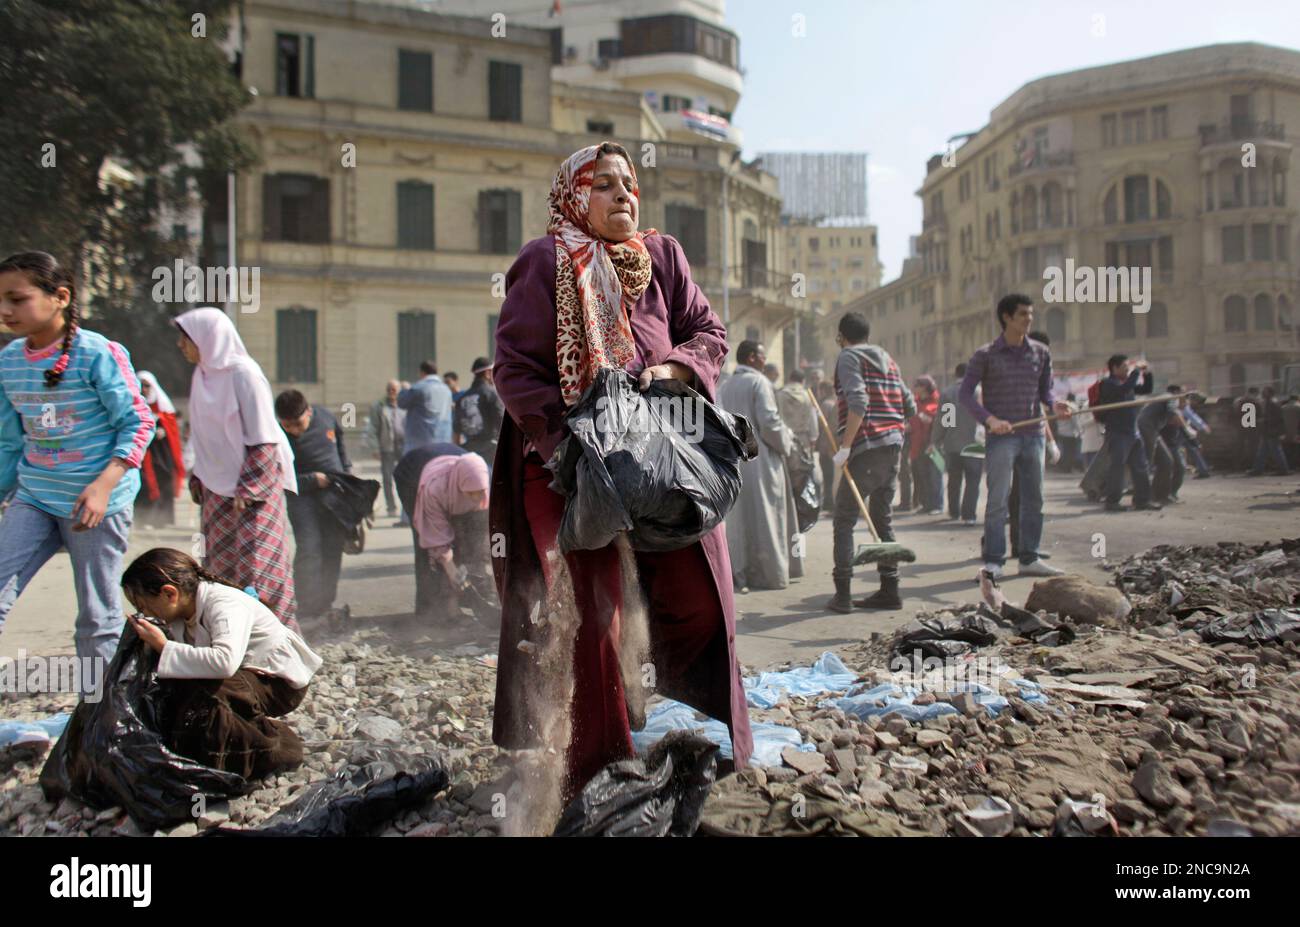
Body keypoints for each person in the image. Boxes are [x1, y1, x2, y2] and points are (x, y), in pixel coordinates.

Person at [489, 141, 753, 801]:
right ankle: (600, 763)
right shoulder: (544, 261)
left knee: (695, 597)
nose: (623, 195)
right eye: (604, 185)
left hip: (660, 455)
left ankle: (692, 718)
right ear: (576, 198)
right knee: (596, 611)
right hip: (571, 462)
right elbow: (516, 371)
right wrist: (568, 448)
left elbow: (707, 331)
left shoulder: (660, 257)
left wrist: (675, 368)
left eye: (629, 184)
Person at [0, 251, 154, 691]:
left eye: (17, 299)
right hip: (33, 495)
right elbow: (10, 441)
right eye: (0, 301)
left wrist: (104, 486)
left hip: (96, 501)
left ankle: (99, 717)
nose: (5, 311)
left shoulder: (98, 353)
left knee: (96, 615)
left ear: (60, 297)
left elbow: (140, 422)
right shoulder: (9, 361)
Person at [121, 548, 321, 780]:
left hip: (278, 683)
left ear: (169, 594)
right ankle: (214, 746)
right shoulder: (181, 614)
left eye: (144, 606)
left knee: (209, 690)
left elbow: (224, 662)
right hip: (244, 677)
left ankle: (276, 747)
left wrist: (164, 647)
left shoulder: (224, 604)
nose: (144, 613)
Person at [175, 307, 298, 629]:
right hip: (217, 488)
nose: (180, 345)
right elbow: (203, 435)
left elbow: (264, 436)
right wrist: (198, 477)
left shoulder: (243, 373)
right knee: (220, 570)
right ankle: (232, 642)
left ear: (208, 338)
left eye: (185, 338)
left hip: (253, 489)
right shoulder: (201, 376)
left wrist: (251, 486)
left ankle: (277, 643)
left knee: (259, 570)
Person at [959, 295, 1071, 578]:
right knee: (998, 500)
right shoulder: (985, 355)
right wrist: (990, 419)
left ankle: (1029, 557)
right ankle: (994, 561)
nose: (1029, 319)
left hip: (1033, 435)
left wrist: (1055, 405)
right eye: (1022, 314)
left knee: (1035, 500)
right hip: (1001, 437)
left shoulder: (1041, 352)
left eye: (1030, 314)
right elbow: (965, 395)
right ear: (1006, 317)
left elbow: (1046, 392)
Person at [827, 311, 915, 613]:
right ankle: (890, 590)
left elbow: (859, 401)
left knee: (844, 520)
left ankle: (843, 595)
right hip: (893, 448)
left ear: (842, 336)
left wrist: (846, 446)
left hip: (866, 449)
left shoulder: (848, 357)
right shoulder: (888, 359)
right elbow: (910, 405)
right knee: (882, 520)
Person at [720, 340, 793, 591]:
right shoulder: (759, 382)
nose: (765, 360)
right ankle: (769, 575)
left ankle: (740, 574)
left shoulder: (725, 386)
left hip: (735, 461)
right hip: (760, 461)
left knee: (739, 522)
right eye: (761, 356)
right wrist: (788, 442)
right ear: (751, 358)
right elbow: (770, 423)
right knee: (766, 518)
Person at [274, 389, 353, 625]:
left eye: (298, 424)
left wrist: (347, 476)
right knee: (309, 547)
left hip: (333, 493)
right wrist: (311, 480)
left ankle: (325, 603)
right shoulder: (276, 435)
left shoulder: (326, 418)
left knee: (333, 546)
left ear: (309, 412)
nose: (294, 431)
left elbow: (341, 449)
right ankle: (306, 607)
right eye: (288, 426)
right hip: (301, 497)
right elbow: (278, 475)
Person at [413, 451, 492, 629]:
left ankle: (477, 605)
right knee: (430, 550)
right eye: (472, 493)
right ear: (461, 485)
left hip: (460, 473)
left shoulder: (487, 482)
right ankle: (438, 612)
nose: (477, 498)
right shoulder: (435, 489)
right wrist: (452, 571)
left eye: (481, 492)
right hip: (416, 470)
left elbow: (489, 534)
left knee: (472, 551)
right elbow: (437, 538)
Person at [1096, 354, 1160, 513]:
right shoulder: (1107, 384)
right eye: (1125, 368)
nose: (1127, 371)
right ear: (1114, 368)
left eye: (1128, 368)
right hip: (1117, 433)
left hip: (1133, 432)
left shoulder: (1126, 384)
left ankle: (1142, 500)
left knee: (1141, 466)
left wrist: (1147, 373)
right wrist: (1136, 372)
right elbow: (1123, 390)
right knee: (1117, 468)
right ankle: (1112, 502)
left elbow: (1147, 389)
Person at [775, 368, 821, 578]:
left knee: (785, 505)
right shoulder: (807, 396)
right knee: (801, 506)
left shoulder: (779, 395)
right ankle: (798, 553)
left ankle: (783, 553)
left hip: (784, 451)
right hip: (802, 452)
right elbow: (815, 431)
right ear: (802, 381)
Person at [932, 363, 982, 525]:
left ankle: (954, 511)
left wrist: (936, 440)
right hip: (975, 444)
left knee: (954, 479)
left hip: (952, 443)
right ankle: (969, 515)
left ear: (956, 374)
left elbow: (946, 421)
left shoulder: (948, 393)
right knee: (973, 480)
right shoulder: (979, 392)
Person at [136, 370, 186, 528]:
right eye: (140, 385)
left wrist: (163, 429)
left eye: (147, 385)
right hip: (143, 454)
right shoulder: (133, 403)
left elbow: (172, 426)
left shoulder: (163, 405)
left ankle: (162, 519)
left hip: (161, 453)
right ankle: (144, 518)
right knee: (144, 484)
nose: (144, 389)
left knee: (163, 482)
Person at [454, 357, 505, 468]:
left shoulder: (462, 398)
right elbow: (502, 422)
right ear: (487, 373)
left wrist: (457, 453)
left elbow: (456, 431)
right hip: (491, 450)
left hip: (468, 451)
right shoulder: (492, 394)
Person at [1139, 384, 1186, 502]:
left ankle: (1160, 495)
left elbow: (1177, 412)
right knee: (1147, 464)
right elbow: (1173, 415)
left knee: (1166, 461)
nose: (1183, 398)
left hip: (1152, 430)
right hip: (1147, 428)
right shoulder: (1170, 397)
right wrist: (1188, 430)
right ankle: (1145, 497)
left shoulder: (1167, 400)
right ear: (1176, 392)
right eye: (1182, 394)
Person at [397, 360, 453, 452]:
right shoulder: (446, 389)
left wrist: (404, 389)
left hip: (420, 444)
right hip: (443, 441)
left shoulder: (418, 387)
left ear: (422, 372)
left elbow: (401, 403)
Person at [907, 375, 943, 515]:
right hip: (918, 444)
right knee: (922, 476)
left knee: (935, 474)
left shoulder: (940, 400)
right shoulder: (914, 403)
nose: (914, 388)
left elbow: (948, 422)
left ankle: (937, 505)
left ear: (924, 387)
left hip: (934, 444)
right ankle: (926, 504)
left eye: (916, 385)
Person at [372, 379, 406, 518]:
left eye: (394, 390)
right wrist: (375, 447)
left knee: (404, 477)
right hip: (387, 447)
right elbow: (373, 428)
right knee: (387, 478)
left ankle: (405, 507)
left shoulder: (405, 405)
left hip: (403, 446)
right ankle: (391, 507)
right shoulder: (379, 406)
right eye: (389, 389)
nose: (391, 392)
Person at [1247, 385, 1292, 476]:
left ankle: (1283, 470)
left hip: (1271, 431)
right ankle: (1257, 469)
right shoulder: (1269, 402)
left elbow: (1275, 418)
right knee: (1263, 452)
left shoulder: (1272, 403)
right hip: (1268, 431)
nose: (1263, 393)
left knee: (1275, 451)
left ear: (1269, 393)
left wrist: (1263, 420)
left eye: (1265, 391)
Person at [815, 380, 839, 513]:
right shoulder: (837, 403)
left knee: (827, 475)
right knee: (832, 475)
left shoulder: (825, 404)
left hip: (826, 445)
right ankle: (830, 500)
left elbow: (820, 425)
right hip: (834, 445)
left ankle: (829, 501)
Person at [1181, 397, 1213, 478]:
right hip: (1183, 431)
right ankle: (1203, 469)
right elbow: (1192, 416)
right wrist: (1203, 426)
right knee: (1193, 449)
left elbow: (1192, 417)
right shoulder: (1179, 404)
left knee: (1192, 449)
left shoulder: (1182, 405)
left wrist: (1203, 426)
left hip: (1182, 431)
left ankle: (1203, 470)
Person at [1055, 393, 1084, 472]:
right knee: (1070, 452)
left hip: (1061, 432)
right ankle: (1068, 468)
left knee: (1063, 451)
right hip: (1070, 434)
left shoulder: (1060, 407)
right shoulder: (1073, 407)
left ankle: (1064, 467)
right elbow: (1075, 421)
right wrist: (1080, 432)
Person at [1236, 387, 1261, 471]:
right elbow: (1260, 414)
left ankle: (1239, 464)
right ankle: (1252, 464)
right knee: (1254, 447)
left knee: (1241, 446)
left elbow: (1238, 413)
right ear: (1255, 393)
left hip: (1242, 426)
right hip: (1253, 427)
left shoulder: (1241, 401)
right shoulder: (1256, 401)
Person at [1282, 393, 1300, 470]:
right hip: (1297, 432)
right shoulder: (1298, 407)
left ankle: (1288, 465)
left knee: (1286, 450)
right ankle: (1295, 465)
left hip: (1285, 433)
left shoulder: (1283, 407)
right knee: (1296, 450)